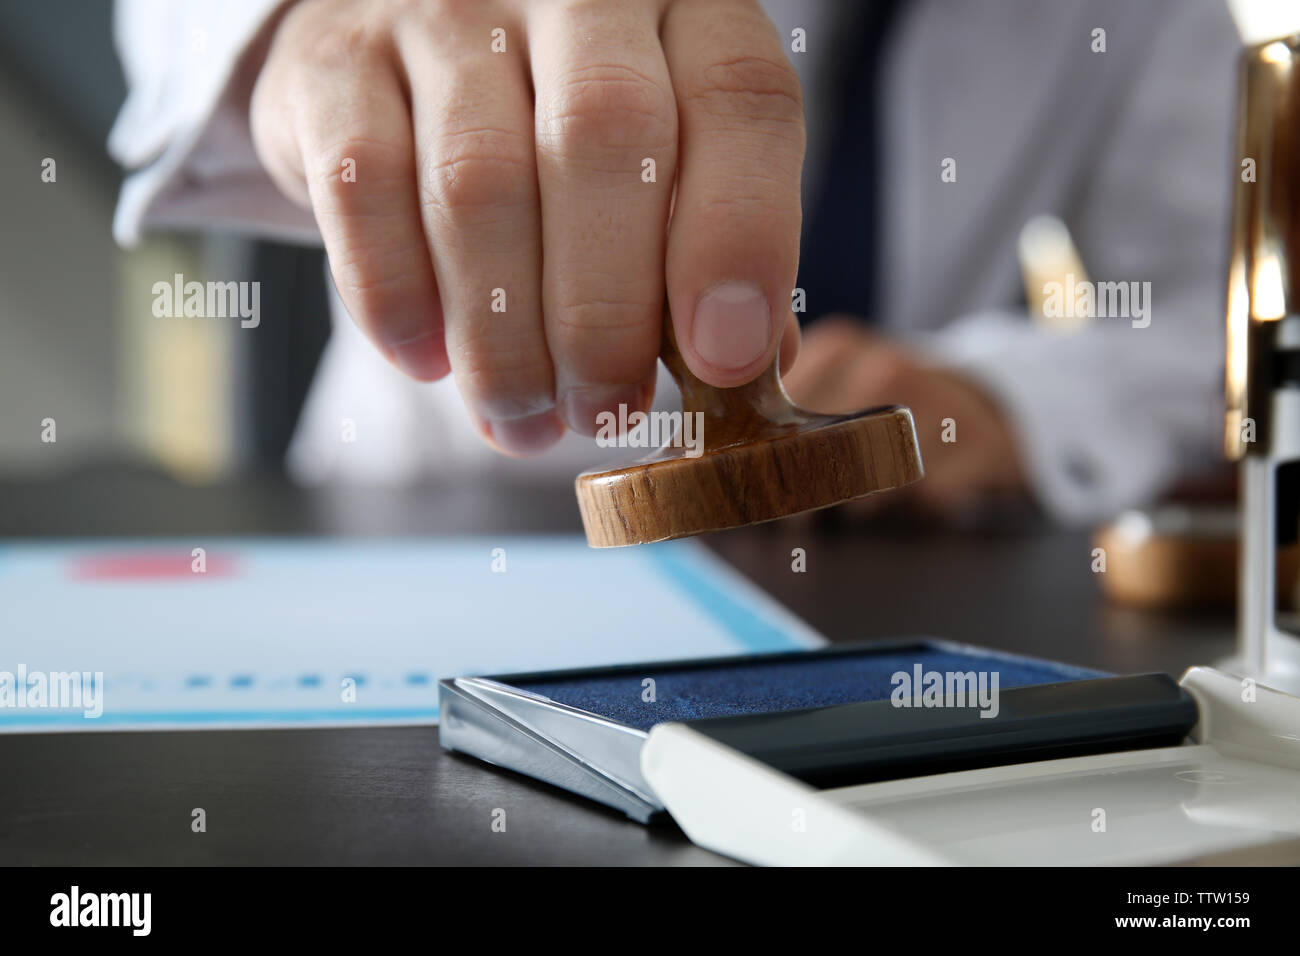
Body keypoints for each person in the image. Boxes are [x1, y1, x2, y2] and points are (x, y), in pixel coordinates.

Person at [110, 0, 1241, 523]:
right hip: (436, 515)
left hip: (887, 564)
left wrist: (1008, 400)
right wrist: (300, 28)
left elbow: (1219, 317)